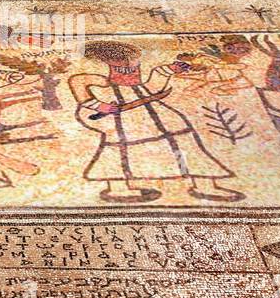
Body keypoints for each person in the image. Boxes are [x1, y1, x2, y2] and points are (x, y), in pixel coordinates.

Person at [69, 41, 242, 203]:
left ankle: (205, 185)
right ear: (112, 68)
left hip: (163, 120)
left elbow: (154, 85)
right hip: (124, 126)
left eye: (135, 67)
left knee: (184, 142)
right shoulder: (106, 87)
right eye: (125, 69)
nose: (133, 72)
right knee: (118, 150)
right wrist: (99, 105)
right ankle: (119, 189)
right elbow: (78, 84)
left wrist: (170, 69)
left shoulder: (140, 86)